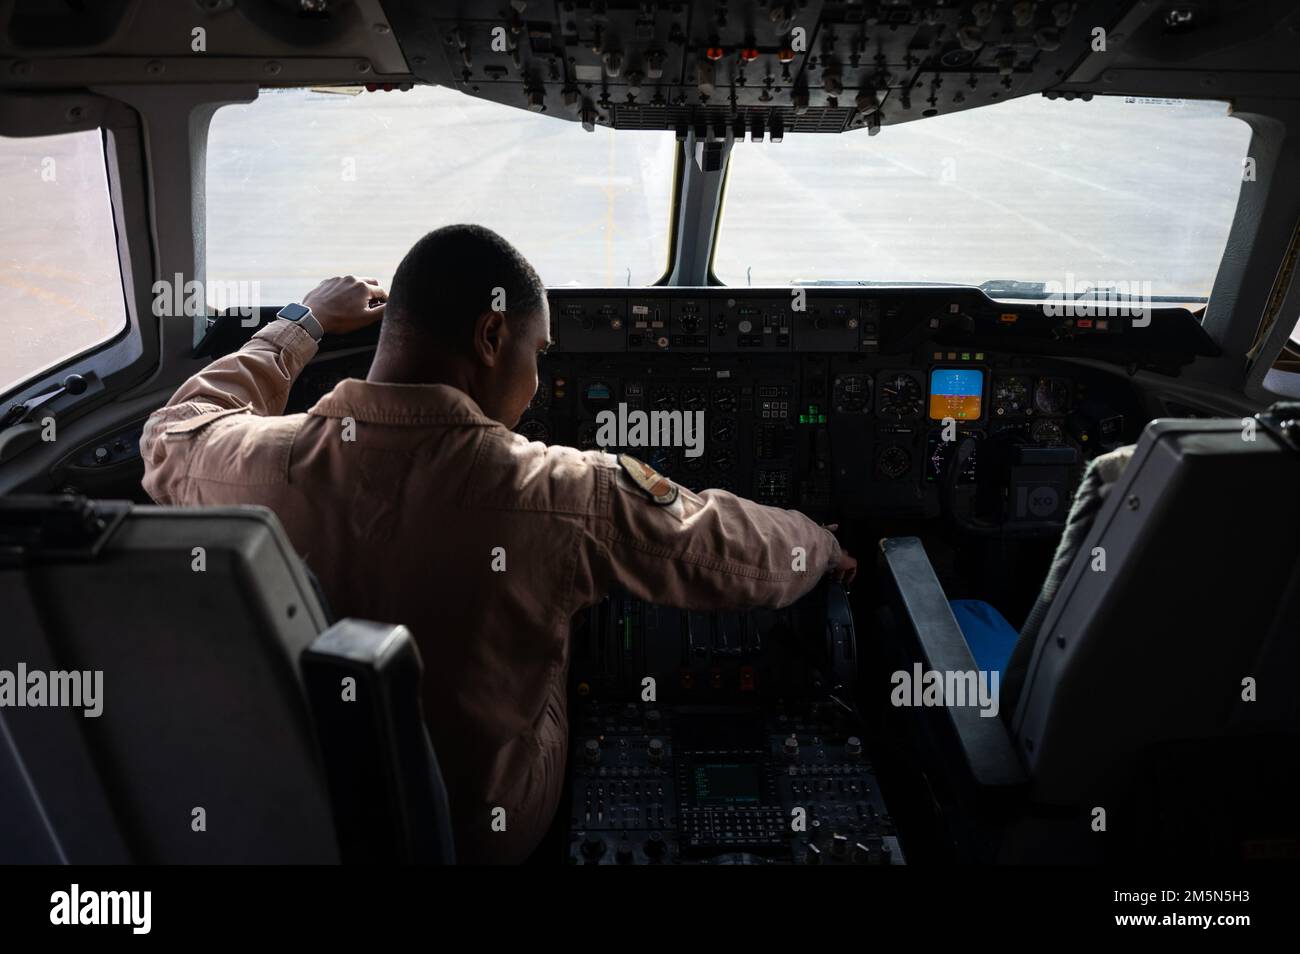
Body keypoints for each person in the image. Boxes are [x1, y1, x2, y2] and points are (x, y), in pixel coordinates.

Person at [140, 224, 857, 863]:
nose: (540, 383)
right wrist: (819, 545)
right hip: (482, 829)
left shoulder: (244, 463)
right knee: (561, 610)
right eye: (537, 353)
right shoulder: (563, 492)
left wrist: (302, 323)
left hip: (308, 817)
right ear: (489, 337)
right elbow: (727, 550)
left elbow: (171, 433)